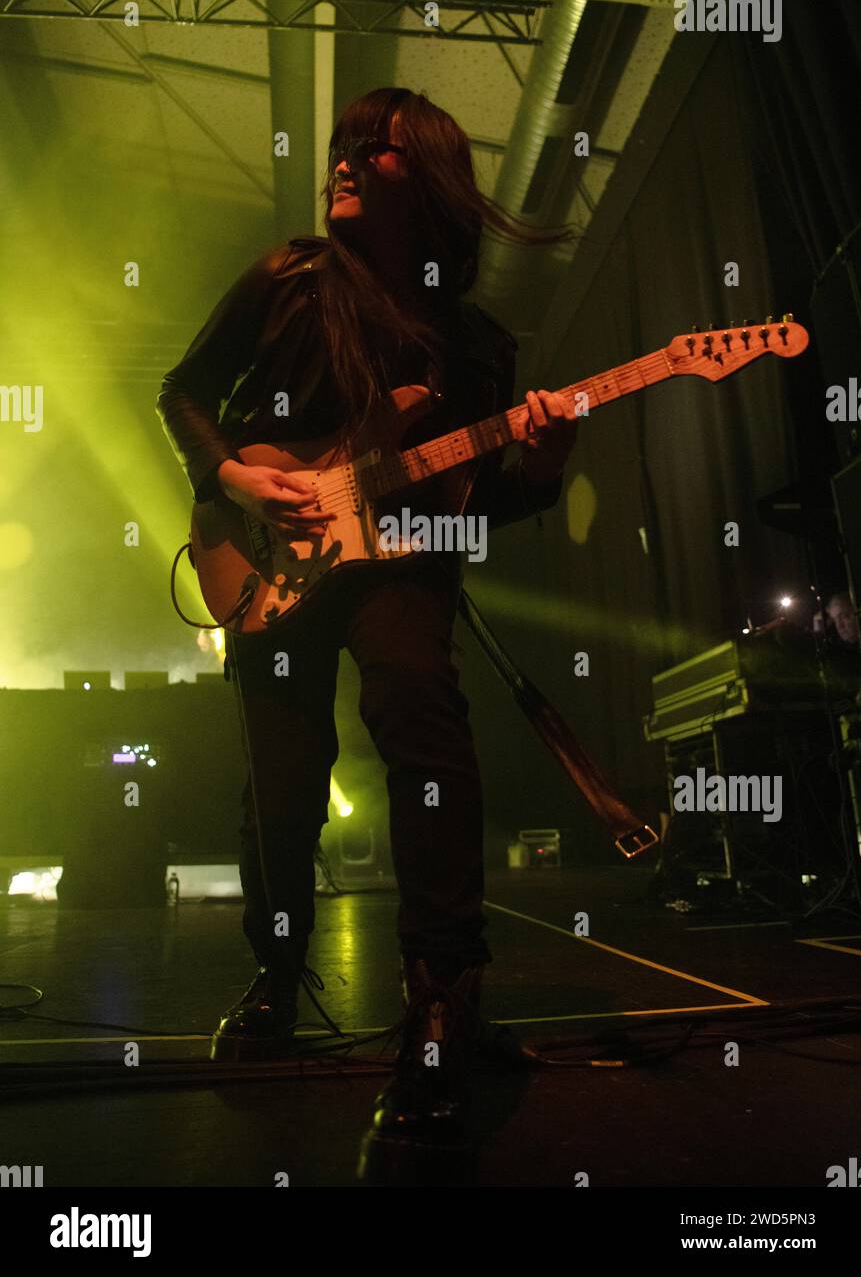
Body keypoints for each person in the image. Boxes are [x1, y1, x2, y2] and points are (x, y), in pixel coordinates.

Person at [157, 87, 578, 1163]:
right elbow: (185, 390)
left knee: (420, 715)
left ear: (424, 176)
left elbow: (481, 499)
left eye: (369, 150)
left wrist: (540, 462)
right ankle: (276, 967)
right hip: (270, 559)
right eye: (340, 147)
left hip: (401, 559)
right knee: (282, 783)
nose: (341, 161)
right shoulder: (291, 276)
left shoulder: (475, 345)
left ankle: (441, 1000)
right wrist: (240, 478)